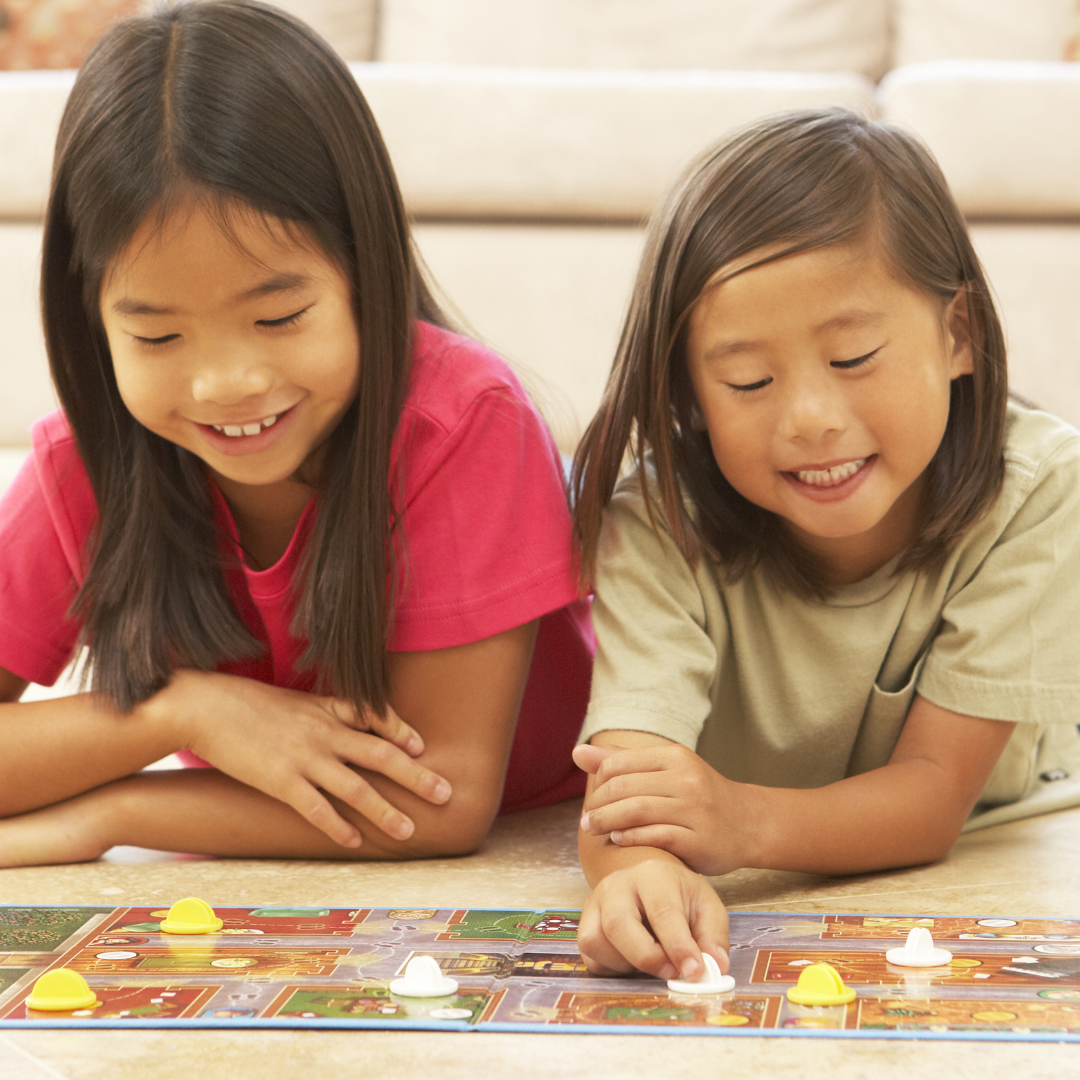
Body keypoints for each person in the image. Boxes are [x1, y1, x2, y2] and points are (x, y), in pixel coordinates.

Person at [0, 0, 591, 867]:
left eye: (278, 317)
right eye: (156, 336)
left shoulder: (463, 420)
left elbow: (438, 801)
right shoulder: (82, 459)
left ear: (363, 269)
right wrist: (180, 712)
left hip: (540, 816)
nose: (225, 383)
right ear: (92, 320)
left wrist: (112, 811)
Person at [569, 110, 1080, 985]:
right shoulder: (658, 521)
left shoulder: (1037, 486)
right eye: (748, 381)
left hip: (996, 821)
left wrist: (740, 823)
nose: (809, 419)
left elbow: (932, 797)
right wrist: (638, 875)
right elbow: (623, 789)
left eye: (853, 357)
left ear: (957, 336)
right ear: (688, 396)